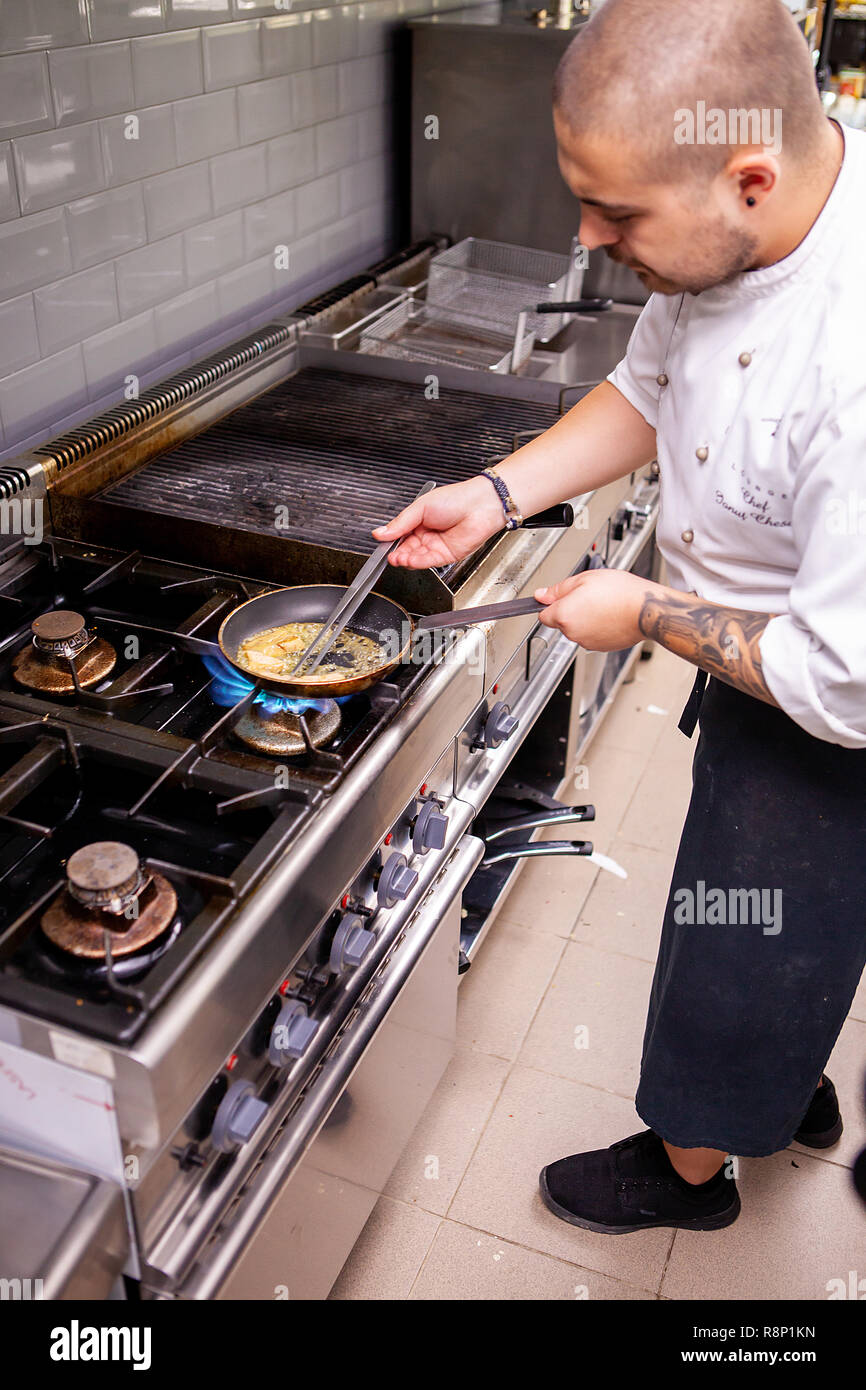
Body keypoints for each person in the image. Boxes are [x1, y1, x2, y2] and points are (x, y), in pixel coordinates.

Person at [372, 0, 866, 1233]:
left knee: (742, 922)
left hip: (833, 696)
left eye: (619, 215)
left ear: (745, 176)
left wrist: (646, 607)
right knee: (781, 928)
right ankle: (782, 1083)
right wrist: (496, 495)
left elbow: (844, 678)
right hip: (773, 635)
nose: (589, 242)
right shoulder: (751, 222)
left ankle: (691, 1170)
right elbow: (649, 386)